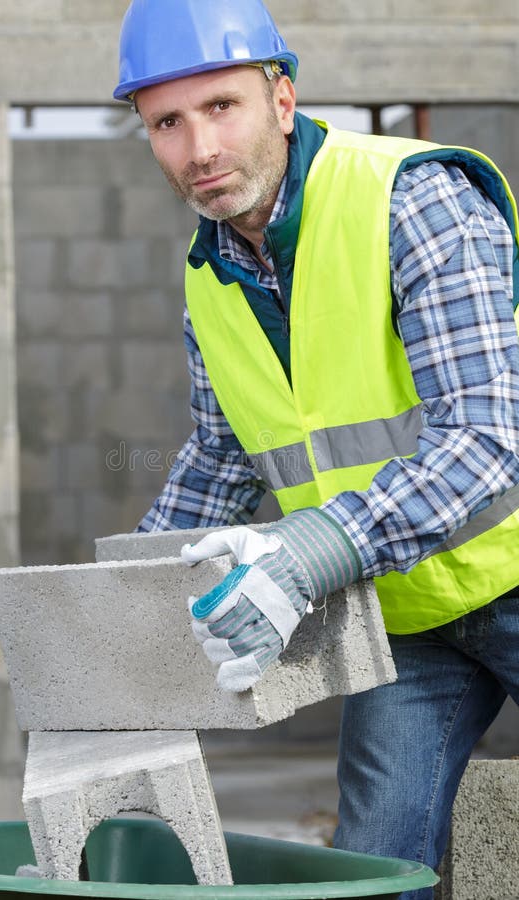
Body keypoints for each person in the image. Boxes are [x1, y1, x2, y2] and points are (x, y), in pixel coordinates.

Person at [113, 2, 519, 897]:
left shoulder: (413, 198)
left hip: (509, 570)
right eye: (167, 124)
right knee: (372, 874)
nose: (199, 149)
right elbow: (222, 460)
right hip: (405, 616)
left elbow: (491, 442)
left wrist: (306, 556)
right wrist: (124, 606)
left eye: (222, 106)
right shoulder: (209, 276)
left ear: (283, 99)